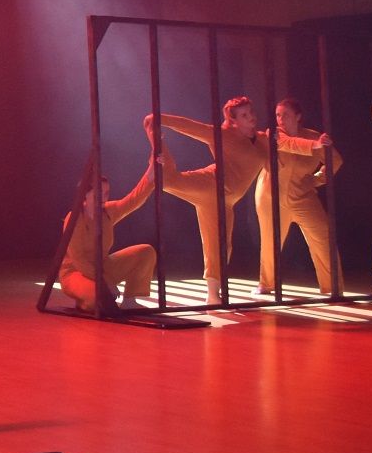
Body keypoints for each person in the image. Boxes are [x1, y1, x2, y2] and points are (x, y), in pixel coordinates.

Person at [151, 99, 328, 304]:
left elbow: (288, 143)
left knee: (221, 246)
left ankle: (212, 296)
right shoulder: (223, 135)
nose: (251, 117)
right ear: (233, 120)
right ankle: (160, 161)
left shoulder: (262, 139)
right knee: (166, 180)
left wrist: (314, 144)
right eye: (244, 115)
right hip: (209, 185)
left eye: (251, 112)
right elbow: (191, 127)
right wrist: (159, 121)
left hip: (225, 202)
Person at [58, 123, 160, 313]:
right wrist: (104, 283)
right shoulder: (74, 218)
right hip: (76, 273)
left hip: (102, 267)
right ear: (85, 195)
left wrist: (152, 167)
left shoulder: (108, 211)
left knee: (145, 251)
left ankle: (129, 300)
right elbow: (79, 260)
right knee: (99, 297)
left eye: (106, 193)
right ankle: (88, 298)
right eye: (99, 193)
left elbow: (134, 199)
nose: (104, 197)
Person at [253, 98, 342, 296]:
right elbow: (288, 144)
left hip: (303, 197)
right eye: (278, 115)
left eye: (285, 115)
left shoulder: (314, 136)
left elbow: (335, 161)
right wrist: (315, 145)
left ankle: (332, 288)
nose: (280, 119)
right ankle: (267, 283)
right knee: (270, 241)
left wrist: (317, 179)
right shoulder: (273, 134)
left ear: (298, 116)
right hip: (271, 197)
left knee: (323, 238)